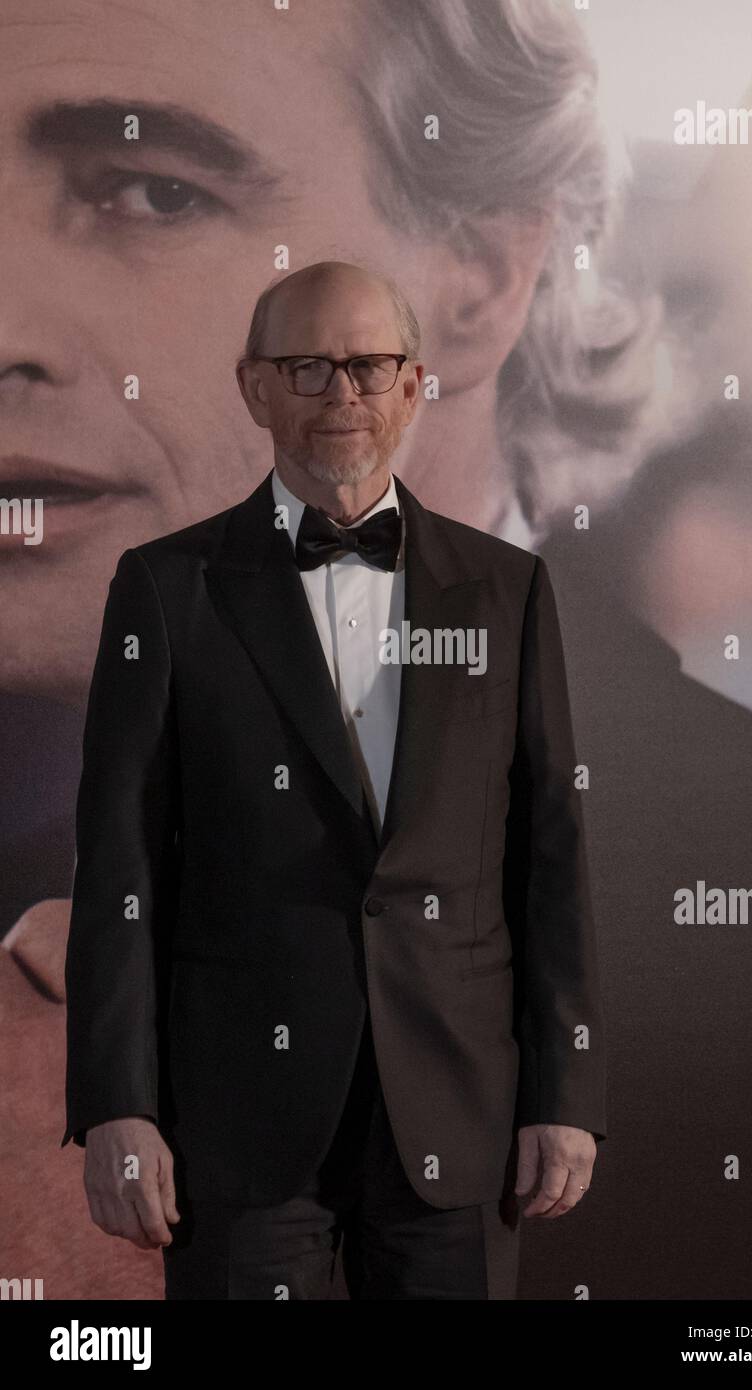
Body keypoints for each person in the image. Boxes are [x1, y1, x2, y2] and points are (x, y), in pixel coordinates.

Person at [62, 261, 607, 1300]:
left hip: (457, 1109)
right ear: (254, 387)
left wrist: (565, 1088)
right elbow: (120, 867)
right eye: (306, 367)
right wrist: (116, 1104)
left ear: (410, 386)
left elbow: (551, 854)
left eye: (366, 366)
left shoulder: (506, 589)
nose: (341, 395)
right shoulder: (167, 589)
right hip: (237, 1123)